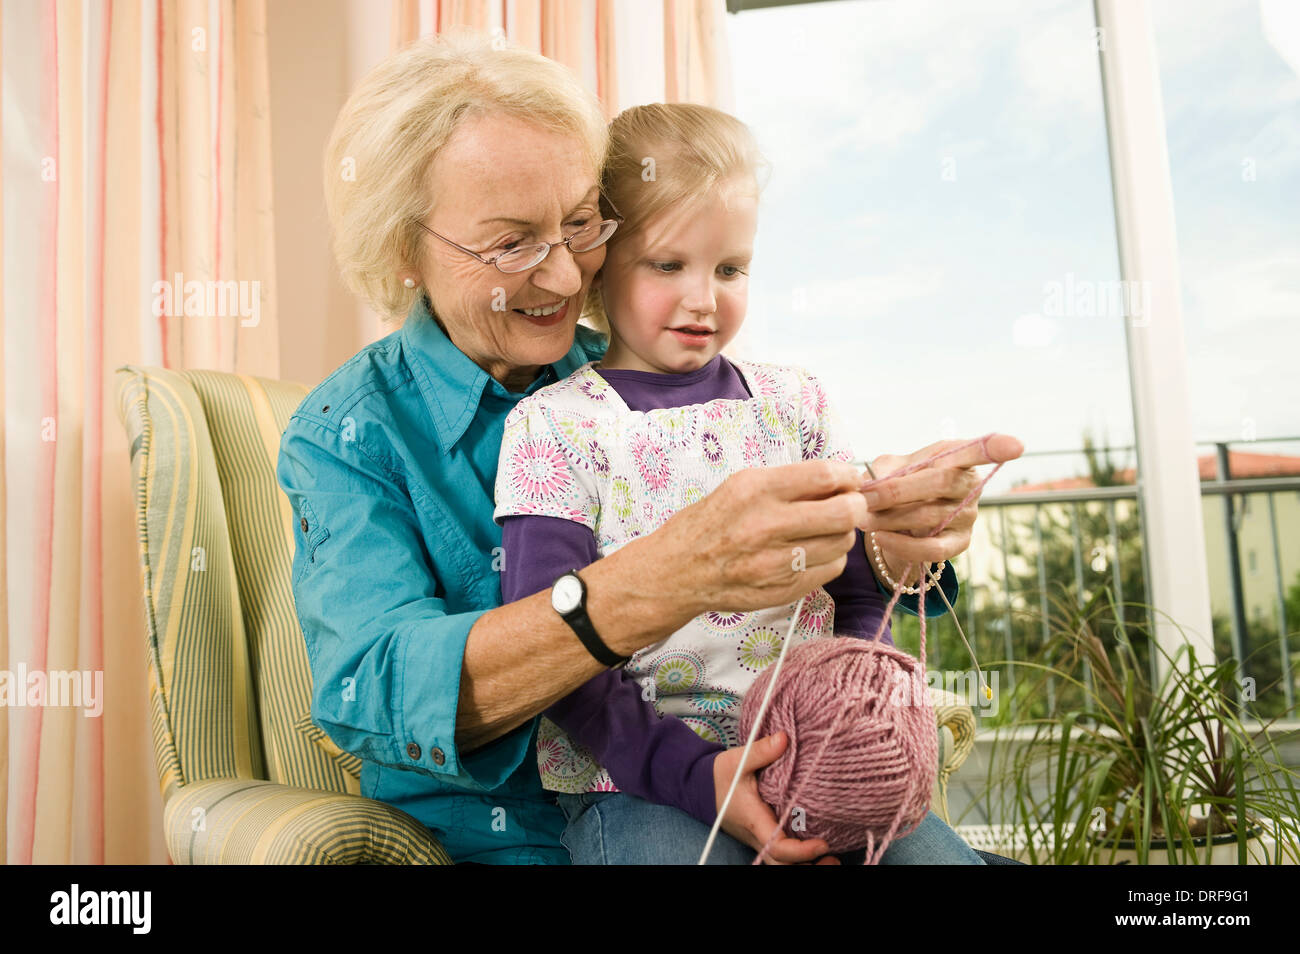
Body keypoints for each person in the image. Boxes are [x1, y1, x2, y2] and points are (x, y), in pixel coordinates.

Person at [276, 29, 1023, 865]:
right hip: (537, 833)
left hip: (772, 779)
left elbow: (836, 589)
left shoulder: (661, 374)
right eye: (512, 242)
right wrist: (643, 589)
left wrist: (889, 541)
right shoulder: (346, 434)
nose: (565, 279)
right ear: (402, 247)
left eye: (580, 224)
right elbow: (369, 687)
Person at [493, 103, 985, 865]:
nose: (704, 298)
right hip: (636, 784)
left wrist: (849, 723)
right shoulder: (551, 428)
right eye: (668, 264)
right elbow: (556, 658)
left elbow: (858, 591)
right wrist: (699, 775)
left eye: (730, 268)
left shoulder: (799, 404)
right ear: (598, 266)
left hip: (817, 762)